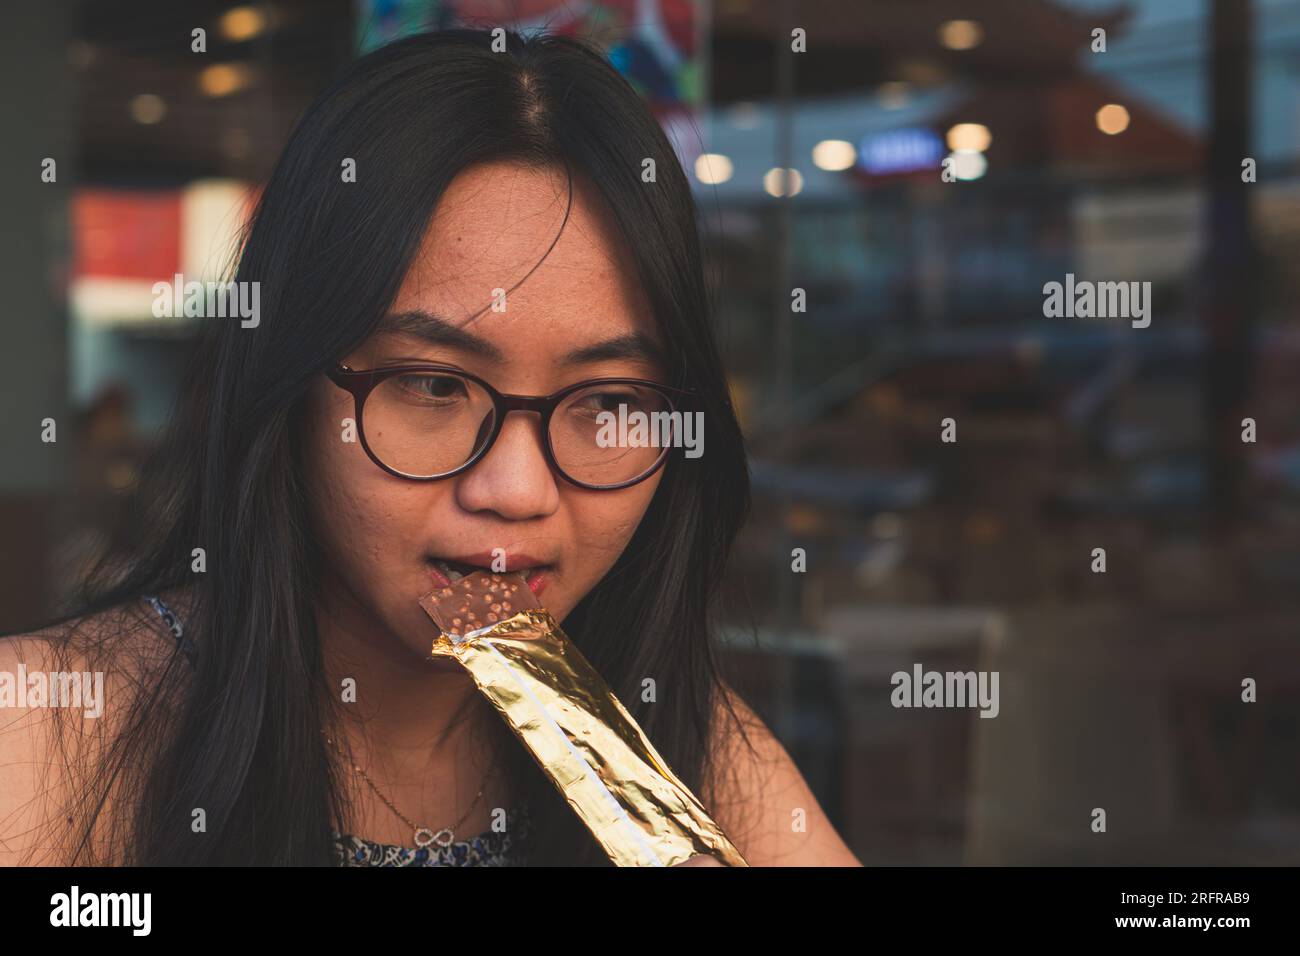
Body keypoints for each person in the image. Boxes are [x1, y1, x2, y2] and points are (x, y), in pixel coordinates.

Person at [0, 27, 860, 867]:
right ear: (290, 384)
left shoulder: (694, 748)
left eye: (607, 400)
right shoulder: (38, 738)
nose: (518, 490)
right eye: (435, 386)